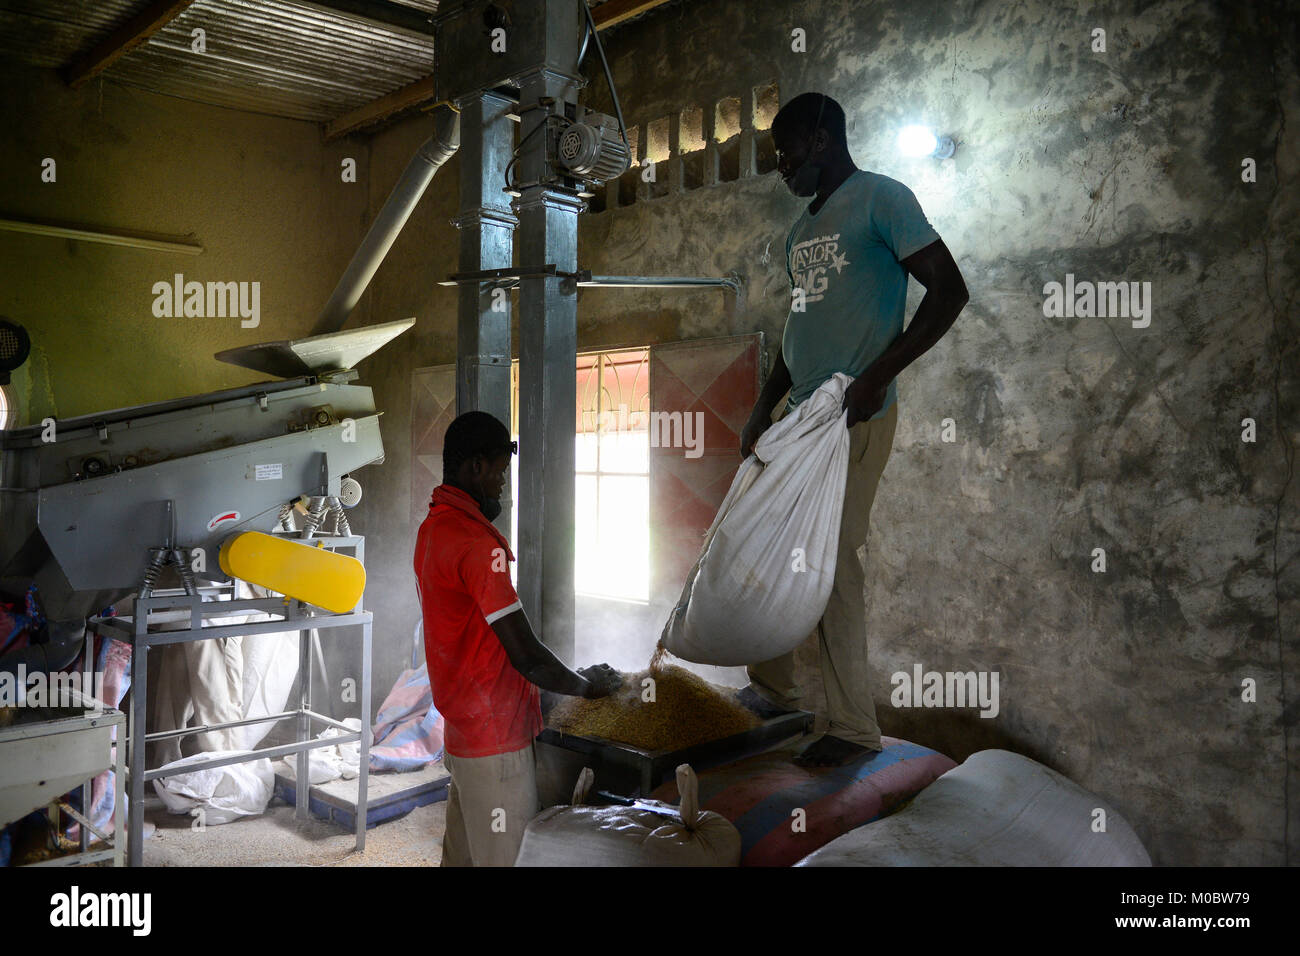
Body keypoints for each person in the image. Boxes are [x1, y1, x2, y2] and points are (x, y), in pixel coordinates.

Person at [737, 93, 969, 768]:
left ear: (821, 137)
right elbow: (797, 331)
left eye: (786, 150)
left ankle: (853, 728)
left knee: (832, 561)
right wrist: (762, 409)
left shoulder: (881, 199)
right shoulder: (798, 232)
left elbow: (949, 290)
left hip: (854, 412)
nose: (781, 166)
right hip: (800, 415)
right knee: (769, 544)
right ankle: (772, 688)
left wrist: (876, 377)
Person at [414, 410, 621, 865]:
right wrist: (587, 687)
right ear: (475, 467)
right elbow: (525, 655)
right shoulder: (476, 543)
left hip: (463, 731)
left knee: (463, 858)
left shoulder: (433, 529)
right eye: (499, 472)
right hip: (496, 740)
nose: (503, 484)